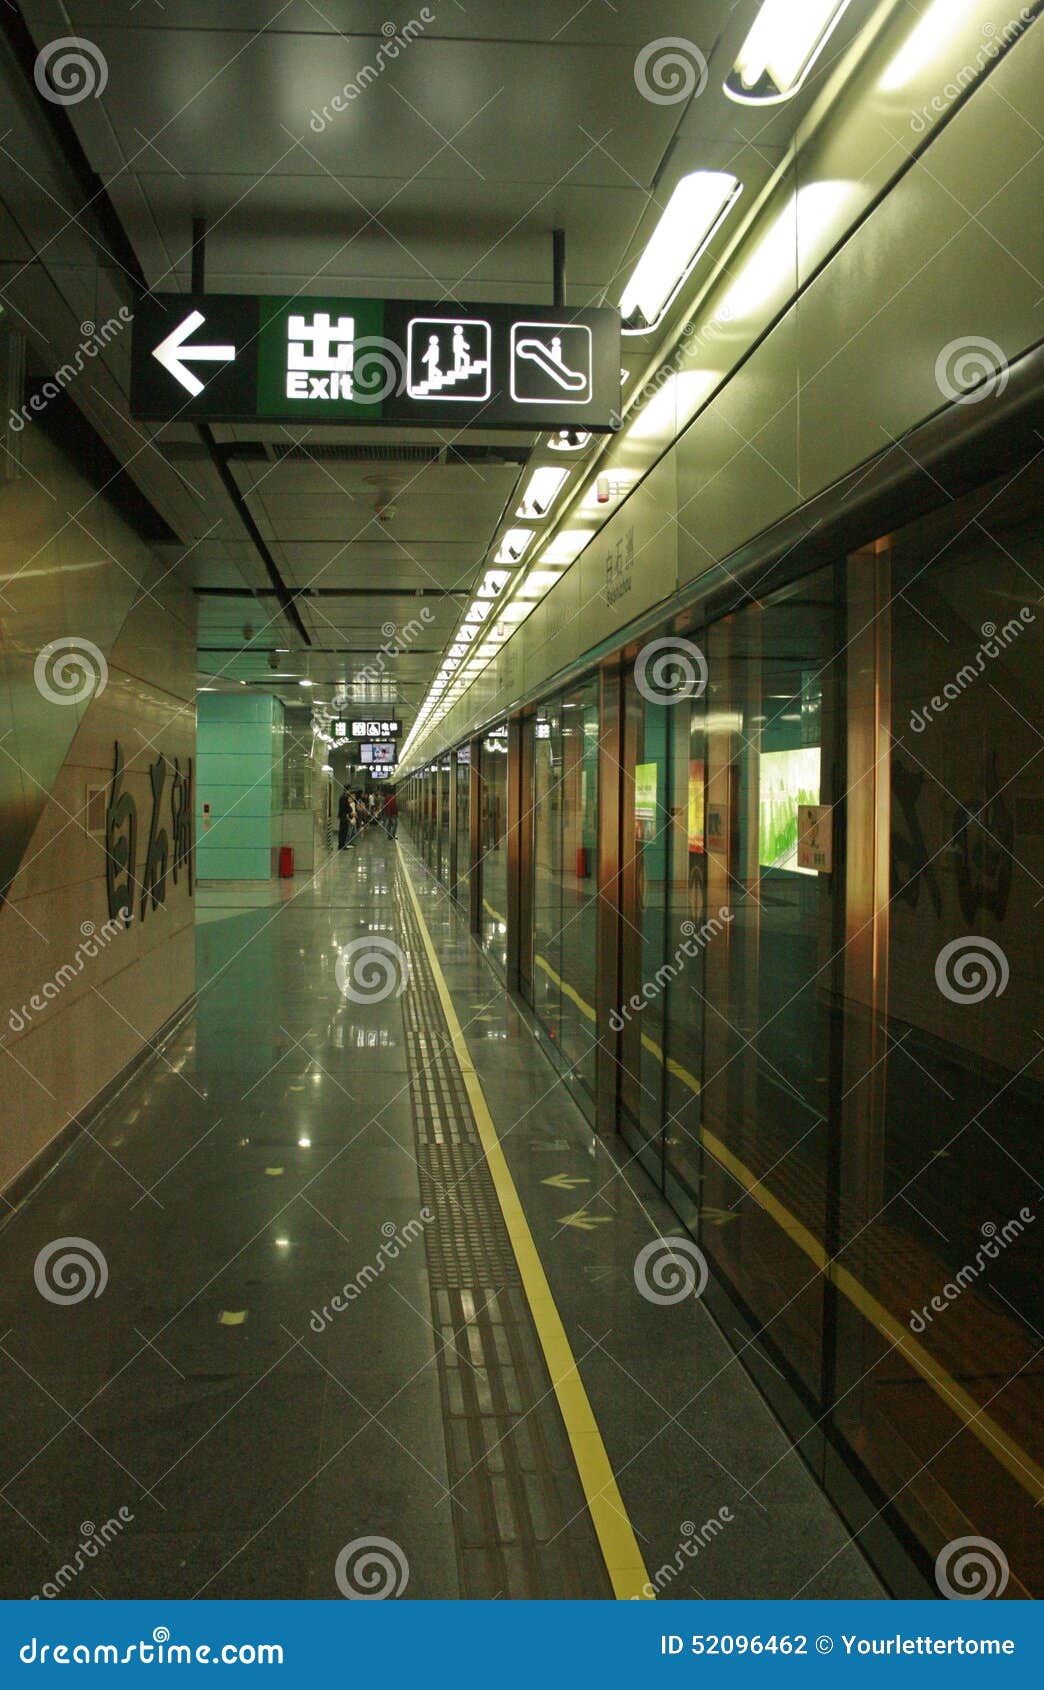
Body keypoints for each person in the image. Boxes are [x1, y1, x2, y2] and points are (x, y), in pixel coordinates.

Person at [337, 785, 352, 850]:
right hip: (344, 816)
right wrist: (350, 809)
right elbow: (347, 808)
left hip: (342, 816)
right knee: (343, 831)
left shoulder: (342, 797)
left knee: (342, 831)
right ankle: (342, 845)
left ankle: (341, 845)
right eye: (349, 790)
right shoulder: (345, 798)